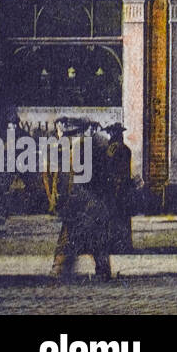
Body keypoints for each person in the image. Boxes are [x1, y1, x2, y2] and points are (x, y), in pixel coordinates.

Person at [51, 120, 114, 281]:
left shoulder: (80, 149)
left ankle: (60, 268)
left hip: (80, 200)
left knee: (70, 236)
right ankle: (102, 269)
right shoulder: (87, 148)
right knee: (93, 236)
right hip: (88, 200)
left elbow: (73, 178)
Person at [104, 123, 134, 253]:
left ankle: (115, 245)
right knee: (124, 217)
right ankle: (125, 244)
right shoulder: (126, 148)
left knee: (114, 216)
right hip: (125, 186)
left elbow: (109, 167)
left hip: (114, 186)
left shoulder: (112, 148)